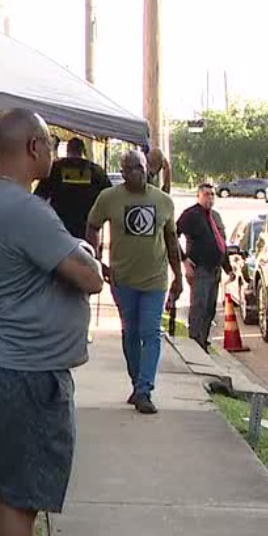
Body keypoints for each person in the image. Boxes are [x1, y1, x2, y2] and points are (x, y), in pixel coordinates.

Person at [0, 109, 106, 536]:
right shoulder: (21, 208)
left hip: (22, 367)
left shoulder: (6, 202)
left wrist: (77, 252)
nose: (53, 153)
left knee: (19, 495)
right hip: (23, 371)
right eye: (49, 144)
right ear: (31, 146)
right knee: (19, 497)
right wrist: (82, 253)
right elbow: (89, 274)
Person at [87, 150, 183, 414]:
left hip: (155, 279)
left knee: (150, 333)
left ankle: (144, 390)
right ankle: (136, 382)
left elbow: (172, 241)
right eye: (129, 169)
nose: (136, 174)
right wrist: (97, 259)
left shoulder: (163, 201)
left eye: (140, 168)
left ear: (147, 169)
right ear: (123, 171)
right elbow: (93, 225)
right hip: (122, 279)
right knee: (130, 332)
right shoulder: (109, 198)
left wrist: (178, 277)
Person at [176, 182, 231, 353]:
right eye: (206, 194)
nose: (210, 198)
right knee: (198, 307)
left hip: (215, 270)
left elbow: (221, 243)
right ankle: (195, 344)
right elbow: (172, 235)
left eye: (212, 194)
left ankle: (203, 341)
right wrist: (184, 260)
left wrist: (228, 268)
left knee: (210, 308)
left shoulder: (215, 217)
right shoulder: (190, 215)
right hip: (200, 269)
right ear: (199, 195)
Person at [34, 137, 111, 244]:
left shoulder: (56, 168)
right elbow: (109, 196)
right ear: (83, 151)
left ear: (67, 149)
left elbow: (39, 197)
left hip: (60, 228)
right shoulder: (95, 171)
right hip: (87, 228)